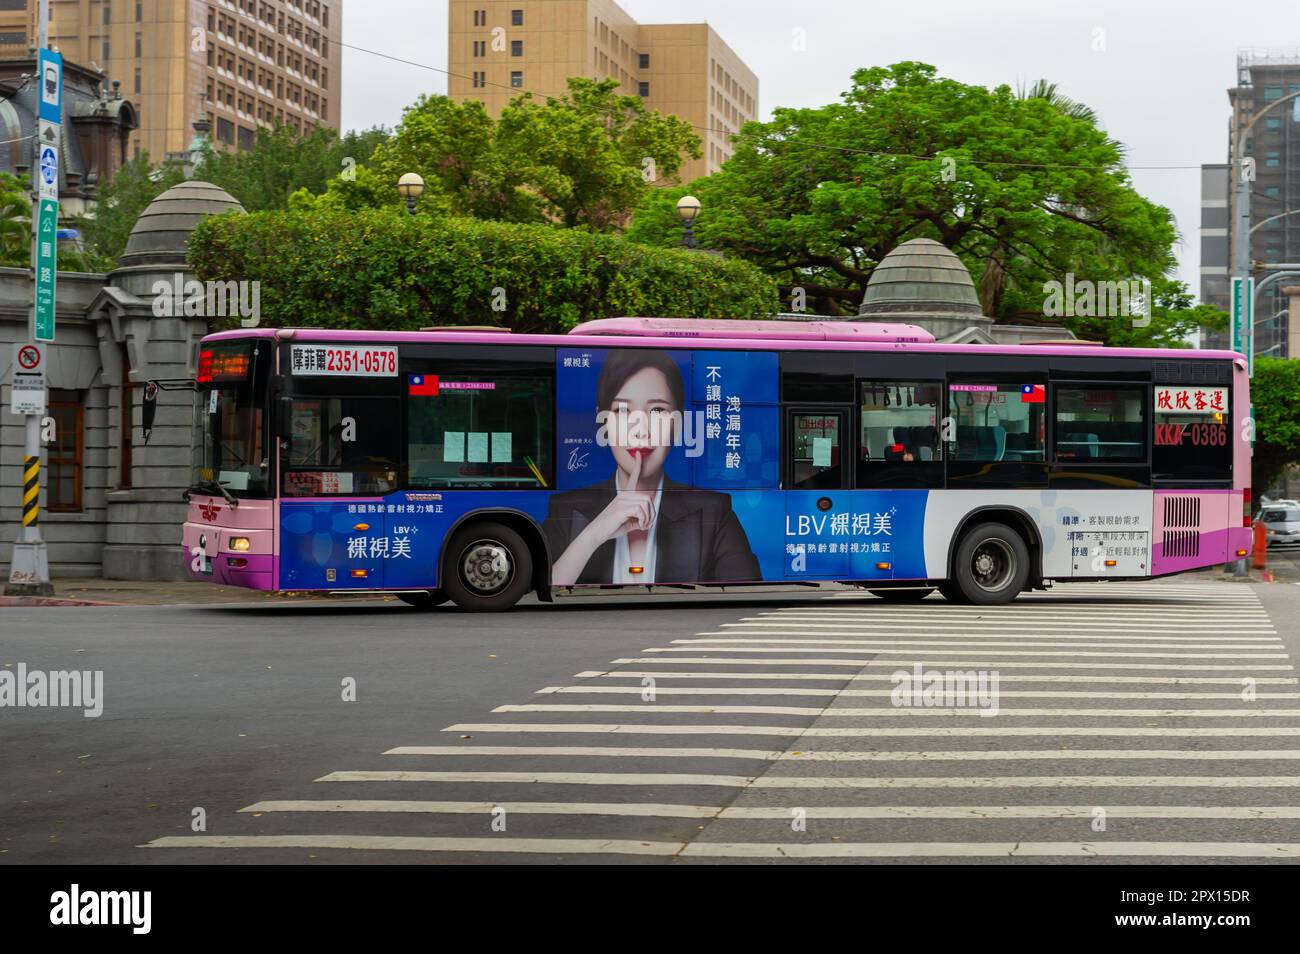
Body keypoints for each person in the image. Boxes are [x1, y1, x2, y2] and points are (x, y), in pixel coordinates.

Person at [544, 349, 761, 586]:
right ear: (603, 421)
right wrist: (595, 533)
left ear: (678, 423)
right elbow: (540, 588)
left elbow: (746, 589)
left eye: (657, 410)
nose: (641, 430)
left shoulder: (713, 512)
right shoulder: (567, 509)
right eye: (623, 410)